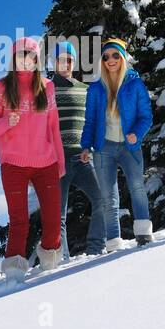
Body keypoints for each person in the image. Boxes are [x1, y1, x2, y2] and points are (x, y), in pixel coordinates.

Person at [0, 37, 66, 282]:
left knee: (52, 220)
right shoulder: (2, 88)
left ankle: (49, 262)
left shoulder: (47, 87)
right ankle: (14, 273)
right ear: (13, 58)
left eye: (31, 55)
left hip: (45, 162)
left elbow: (53, 127)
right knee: (19, 221)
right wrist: (6, 122)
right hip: (14, 165)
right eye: (21, 54)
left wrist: (59, 161)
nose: (26, 60)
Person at [80, 38, 154, 250]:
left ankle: (143, 233)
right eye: (105, 57)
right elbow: (91, 122)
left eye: (114, 55)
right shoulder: (95, 89)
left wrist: (136, 134)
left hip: (130, 146)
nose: (110, 60)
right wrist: (86, 146)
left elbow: (145, 116)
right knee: (108, 196)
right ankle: (113, 241)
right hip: (103, 147)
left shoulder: (135, 84)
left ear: (122, 57)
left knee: (137, 187)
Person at [49, 41, 106, 260]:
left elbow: (91, 122)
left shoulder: (85, 89)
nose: (66, 63)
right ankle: (61, 257)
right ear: (54, 62)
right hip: (56, 160)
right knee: (57, 213)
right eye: (61, 59)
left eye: (69, 59)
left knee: (101, 198)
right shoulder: (45, 89)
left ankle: (95, 248)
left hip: (82, 156)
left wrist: (89, 147)